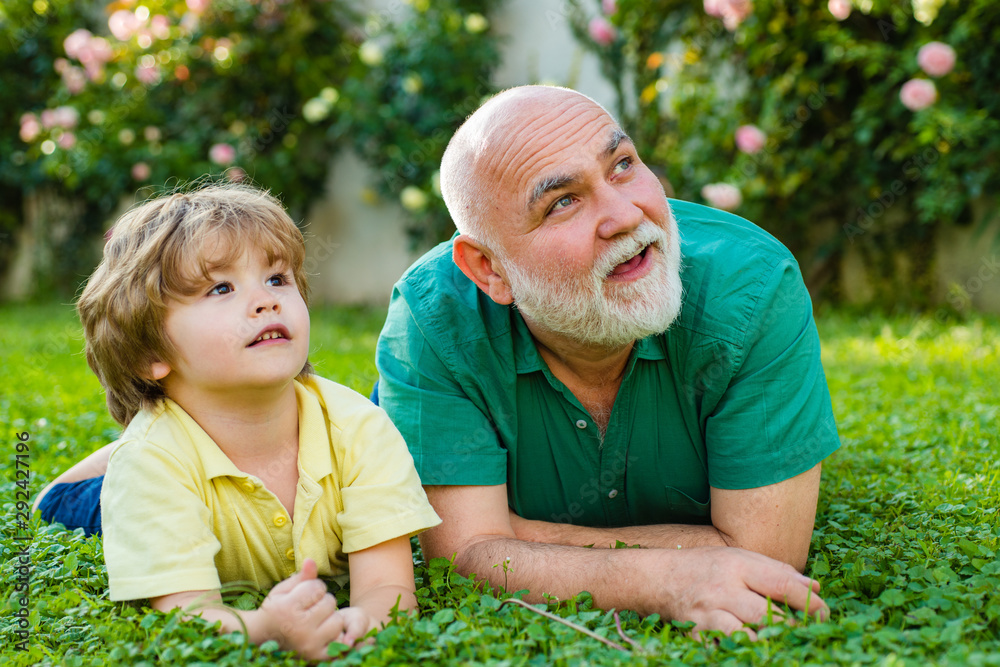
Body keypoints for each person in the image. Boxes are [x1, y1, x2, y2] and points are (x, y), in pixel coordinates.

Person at [375, 85, 841, 637]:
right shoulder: (434, 321)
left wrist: (512, 536)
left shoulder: (753, 288)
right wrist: (663, 577)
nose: (625, 215)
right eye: (563, 201)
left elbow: (767, 556)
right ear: (488, 270)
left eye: (622, 165)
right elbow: (460, 557)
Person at [39, 184, 441, 661]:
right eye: (221, 288)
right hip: (137, 490)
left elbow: (389, 589)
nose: (266, 301)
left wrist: (362, 623)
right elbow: (183, 618)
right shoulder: (150, 467)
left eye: (277, 278)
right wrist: (266, 627)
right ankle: (85, 471)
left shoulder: (359, 427)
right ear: (151, 353)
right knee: (69, 502)